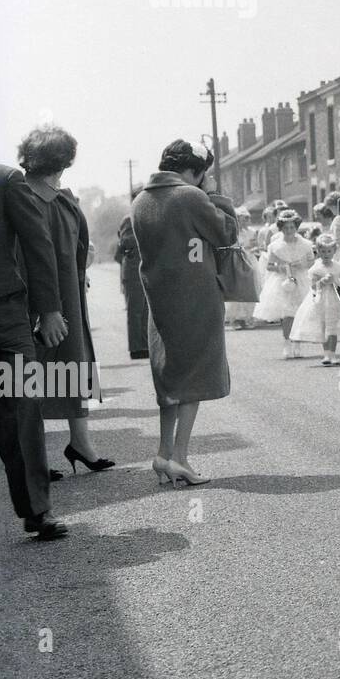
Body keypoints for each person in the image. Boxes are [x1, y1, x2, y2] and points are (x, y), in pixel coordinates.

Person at [131, 138, 239, 487]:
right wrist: (214, 196)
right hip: (195, 296)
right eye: (202, 173)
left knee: (171, 378)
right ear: (193, 171)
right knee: (193, 378)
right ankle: (179, 457)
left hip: (160, 300)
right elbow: (226, 233)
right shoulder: (191, 196)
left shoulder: (141, 201)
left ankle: (163, 454)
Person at [18, 126, 111, 476]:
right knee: (27, 372)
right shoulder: (26, 196)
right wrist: (46, 308)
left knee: (73, 361)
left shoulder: (60, 197)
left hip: (66, 295)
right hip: (36, 300)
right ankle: (32, 457)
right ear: (62, 161)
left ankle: (80, 442)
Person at [0, 158, 68, 540]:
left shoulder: (5, 180)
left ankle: (36, 511)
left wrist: (50, 309)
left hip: (6, 317)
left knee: (23, 406)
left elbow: (37, 243)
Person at [290, 233, 340, 364]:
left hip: (334, 299)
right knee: (323, 327)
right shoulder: (316, 267)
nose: (326, 254)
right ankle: (326, 354)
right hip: (320, 299)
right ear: (318, 251)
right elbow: (313, 286)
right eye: (322, 251)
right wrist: (322, 281)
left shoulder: (338, 267)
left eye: (329, 251)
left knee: (332, 327)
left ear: (334, 251)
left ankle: (333, 354)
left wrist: (336, 281)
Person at [253, 209, 313, 356]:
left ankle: (297, 344)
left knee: (300, 312)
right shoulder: (275, 246)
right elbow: (269, 265)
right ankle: (287, 343)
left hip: (301, 279)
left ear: (296, 227)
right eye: (286, 228)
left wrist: (302, 265)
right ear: (281, 229)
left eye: (292, 227)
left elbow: (311, 262)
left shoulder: (305, 244)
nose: (289, 230)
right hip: (282, 281)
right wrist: (280, 267)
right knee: (287, 314)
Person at [116, 189, 149, 359]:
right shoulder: (130, 219)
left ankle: (144, 345)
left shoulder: (146, 217)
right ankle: (136, 348)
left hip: (144, 268)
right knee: (135, 310)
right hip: (134, 269)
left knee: (145, 311)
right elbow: (127, 242)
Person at [224, 207, 259, 330]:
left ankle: (247, 317)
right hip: (237, 259)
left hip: (249, 259)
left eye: (246, 219)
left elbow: (255, 245)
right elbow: (231, 245)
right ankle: (235, 319)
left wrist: (251, 247)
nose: (244, 222)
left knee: (250, 287)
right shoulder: (233, 232)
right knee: (237, 287)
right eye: (241, 219)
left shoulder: (252, 231)